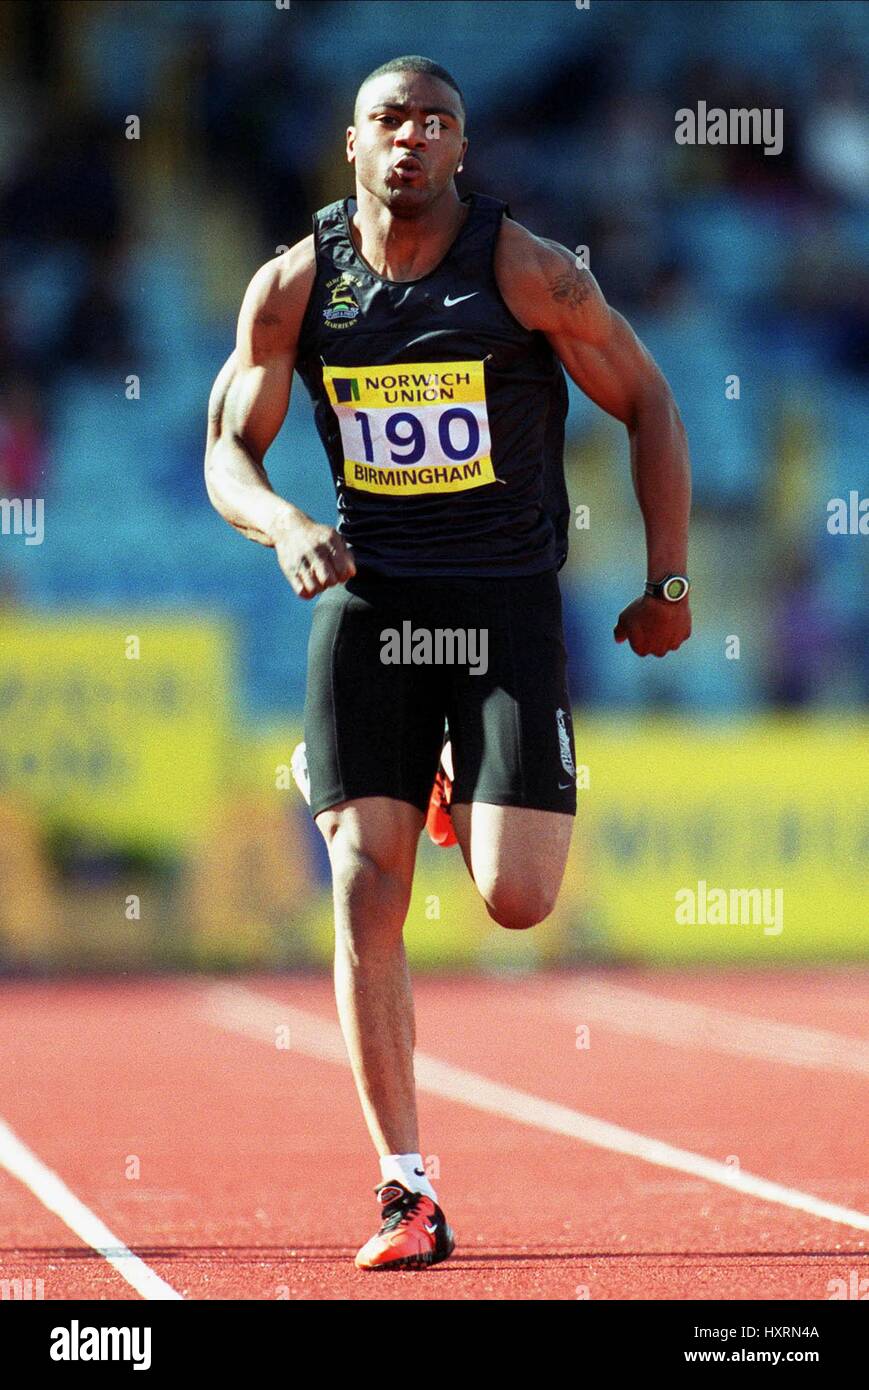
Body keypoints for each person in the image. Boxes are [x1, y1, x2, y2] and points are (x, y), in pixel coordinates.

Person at [204, 55, 692, 1271]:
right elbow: (226, 451)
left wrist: (668, 582)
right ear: (351, 143)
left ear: (460, 149)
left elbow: (648, 400)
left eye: (435, 122)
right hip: (370, 604)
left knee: (517, 897)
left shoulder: (527, 272)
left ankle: (452, 771)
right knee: (364, 878)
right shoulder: (293, 287)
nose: (411, 138)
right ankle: (405, 1189)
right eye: (388, 120)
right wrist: (285, 524)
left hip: (506, 606)